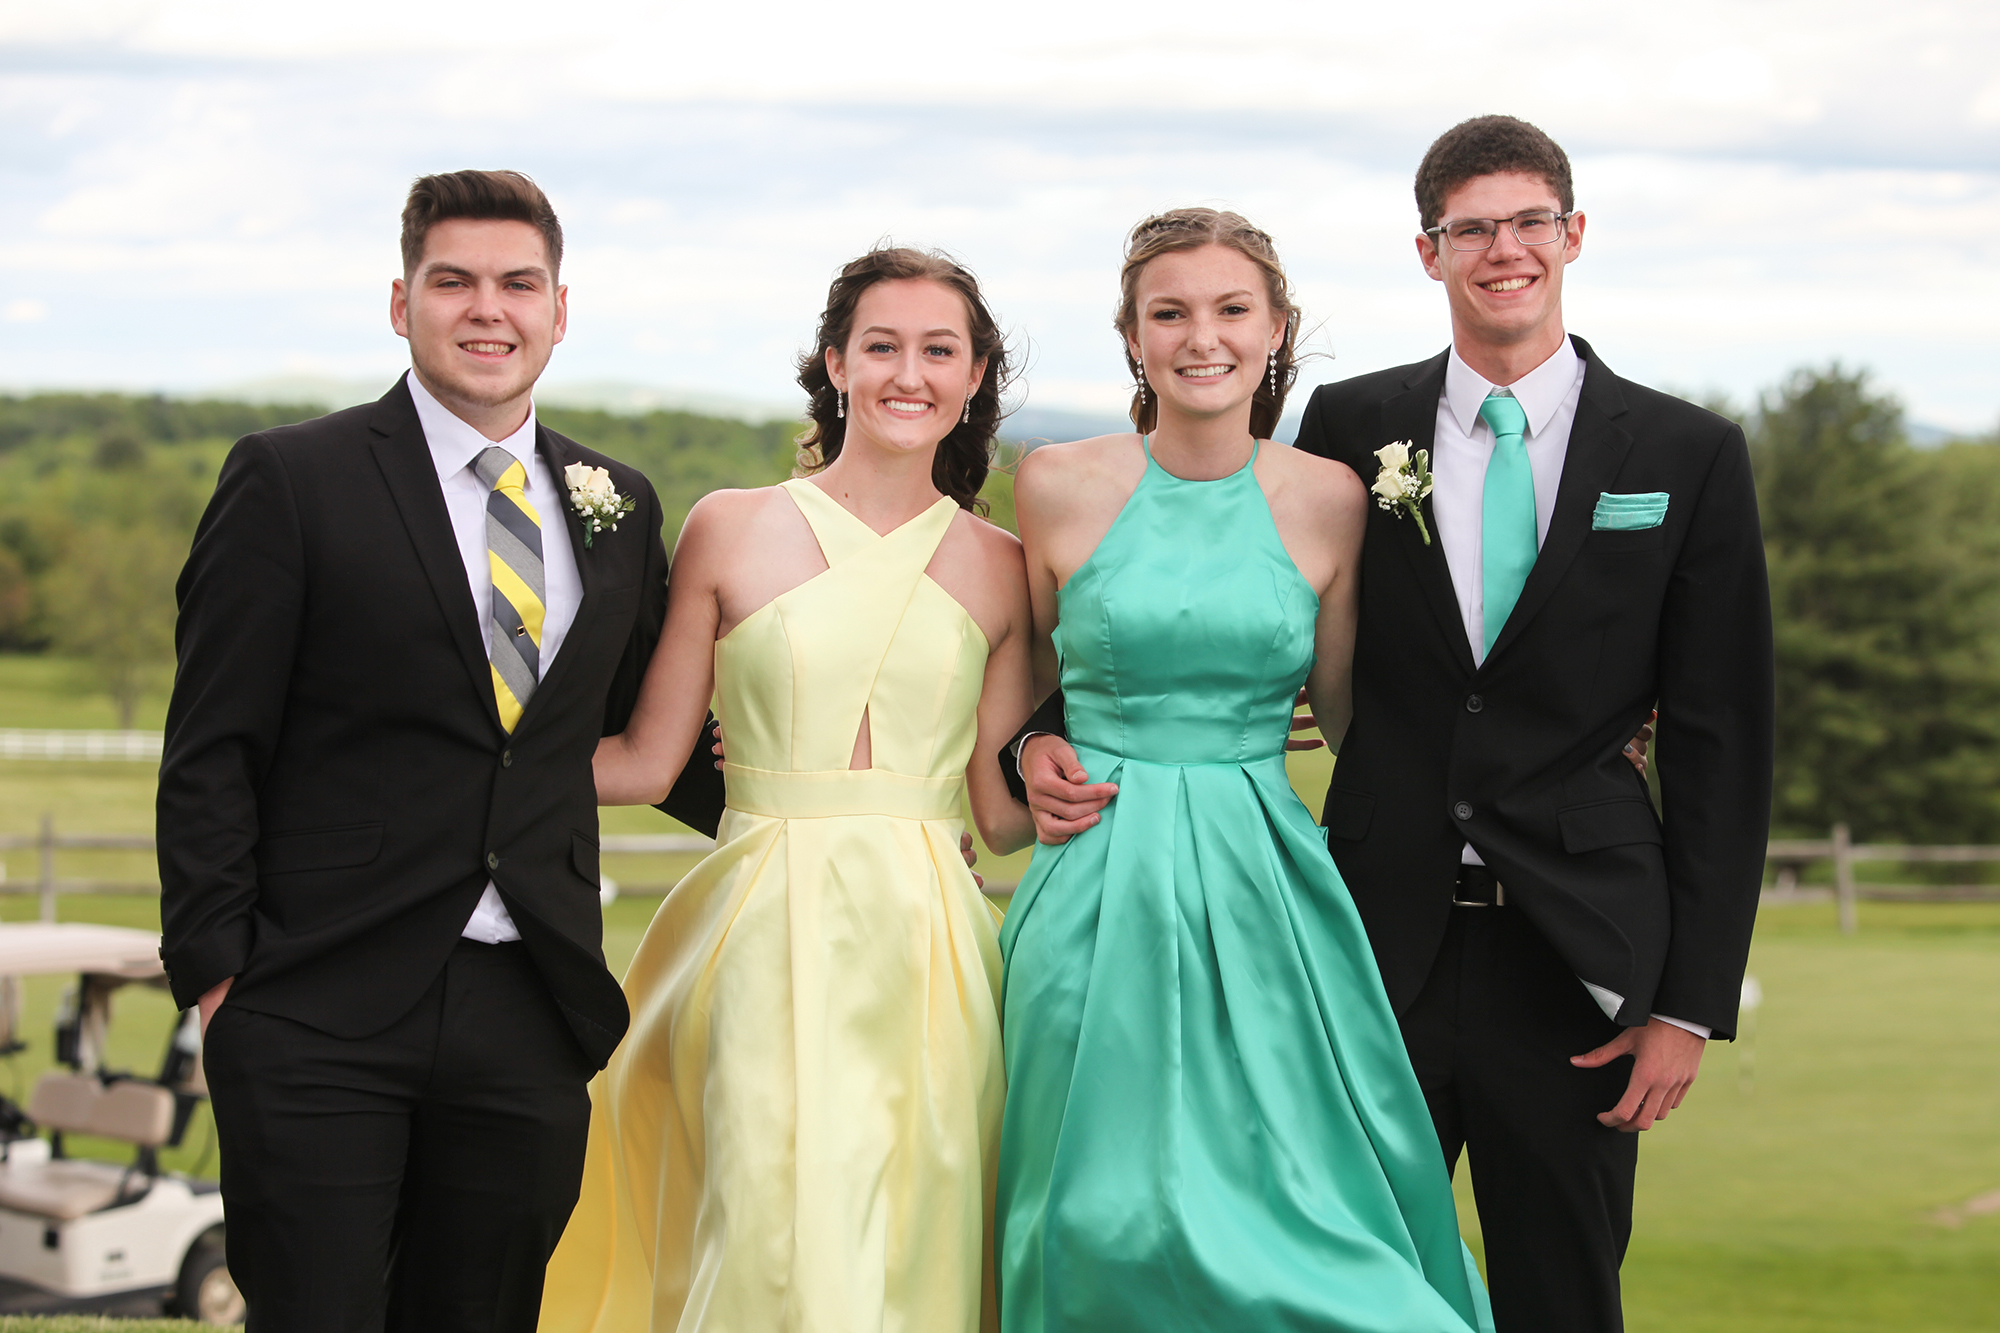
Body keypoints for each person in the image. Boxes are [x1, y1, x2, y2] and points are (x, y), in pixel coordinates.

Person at [1019, 117, 1776, 1332]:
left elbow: (1723, 741)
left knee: (1560, 1290)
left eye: (1527, 222)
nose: (1502, 249)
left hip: (1574, 951)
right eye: (1468, 228)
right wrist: (1037, 734)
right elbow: (1189, 610)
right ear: (1428, 252)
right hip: (1360, 938)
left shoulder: (1687, 454)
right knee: (1336, 1272)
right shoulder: (1348, 433)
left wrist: (1686, 1003)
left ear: (1570, 235)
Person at [156, 169, 724, 1332]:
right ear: (401, 301)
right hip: (315, 995)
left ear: (558, 311)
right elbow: (212, 742)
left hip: (529, 998)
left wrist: (860, 818)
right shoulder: (291, 477)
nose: (487, 309)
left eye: (518, 284)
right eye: (452, 281)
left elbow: (662, 724)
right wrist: (222, 978)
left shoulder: (614, 499)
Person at [995, 208, 1493, 1332]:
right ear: (1131, 335)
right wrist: (1029, 750)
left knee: (1306, 1216)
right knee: (1090, 1212)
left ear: (1277, 330)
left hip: (1267, 883)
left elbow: (1359, 712)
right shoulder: (1054, 481)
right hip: (1097, 874)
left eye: (1229, 309)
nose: (1199, 336)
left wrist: (1580, 718)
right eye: (1167, 312)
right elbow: (1026, 686)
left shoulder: (1329, 496)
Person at [538, 246, 1038, 1333]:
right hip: (758, 927)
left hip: (928, 940)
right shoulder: (731, 522)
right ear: (835, 362)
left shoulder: (1002, 563)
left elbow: (999, 819)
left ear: (973, 375)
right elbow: (645, 762)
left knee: (919, 1224)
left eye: (938, 350)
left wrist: (1186, 737)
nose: (909, 372)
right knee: (768, 1222)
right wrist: (448, 768)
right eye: (882, 346)